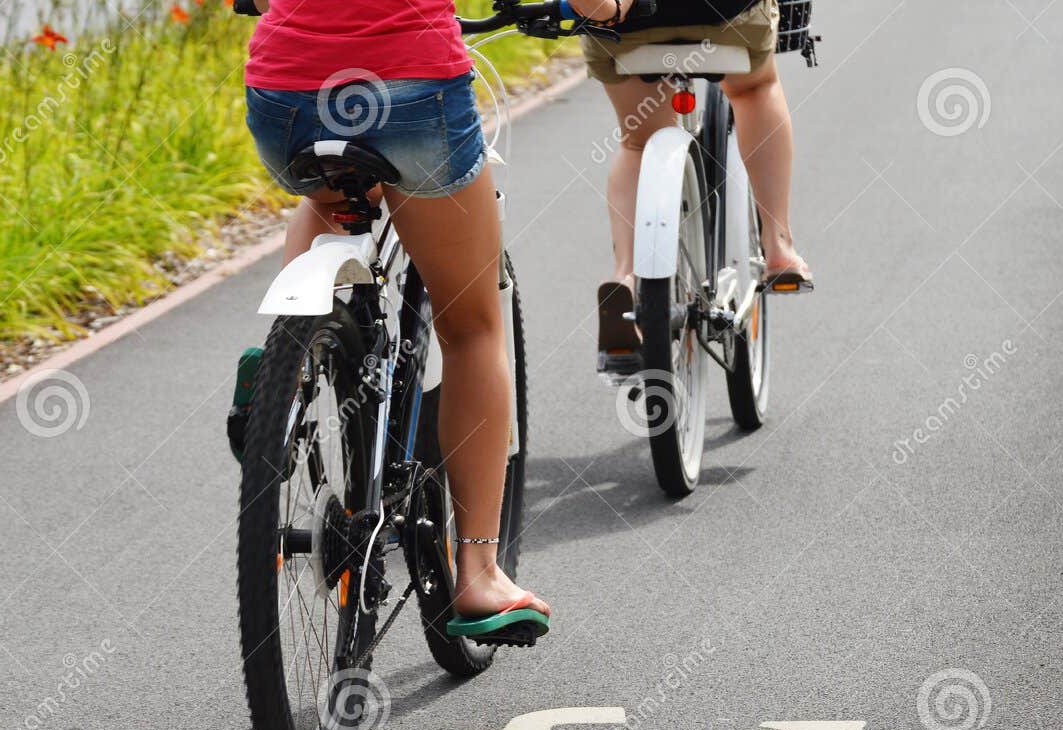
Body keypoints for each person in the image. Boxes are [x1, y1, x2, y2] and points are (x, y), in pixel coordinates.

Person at [227, 0, 616, 642]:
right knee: (472, 328)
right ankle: (480, 574)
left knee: (331, 191)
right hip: (412, 91)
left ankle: (282, 377)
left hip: (284, 95)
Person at [581, 0, 812, 375]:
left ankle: (625, 276)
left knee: (640, 142)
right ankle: (778, 246)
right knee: (755, 89)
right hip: (726, 16)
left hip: (624, 26)